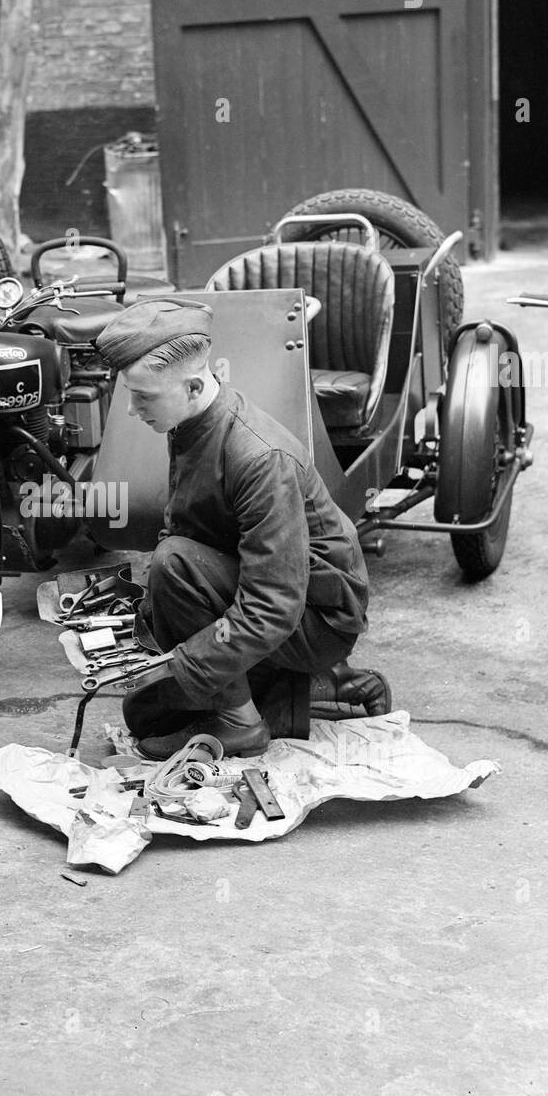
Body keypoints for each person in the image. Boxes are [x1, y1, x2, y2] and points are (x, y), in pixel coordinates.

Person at [95, 298, 384, 760]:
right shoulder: (191, 423)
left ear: (193, 387)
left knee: (173, 575)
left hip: (316, 617)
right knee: (148, 713)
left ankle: (240, 724)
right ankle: (314, 690)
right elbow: (192, 529)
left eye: (143, 396)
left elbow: (272, 607)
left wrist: (182, 668)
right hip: (277, 594)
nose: (131, 410)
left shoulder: (258, 456)